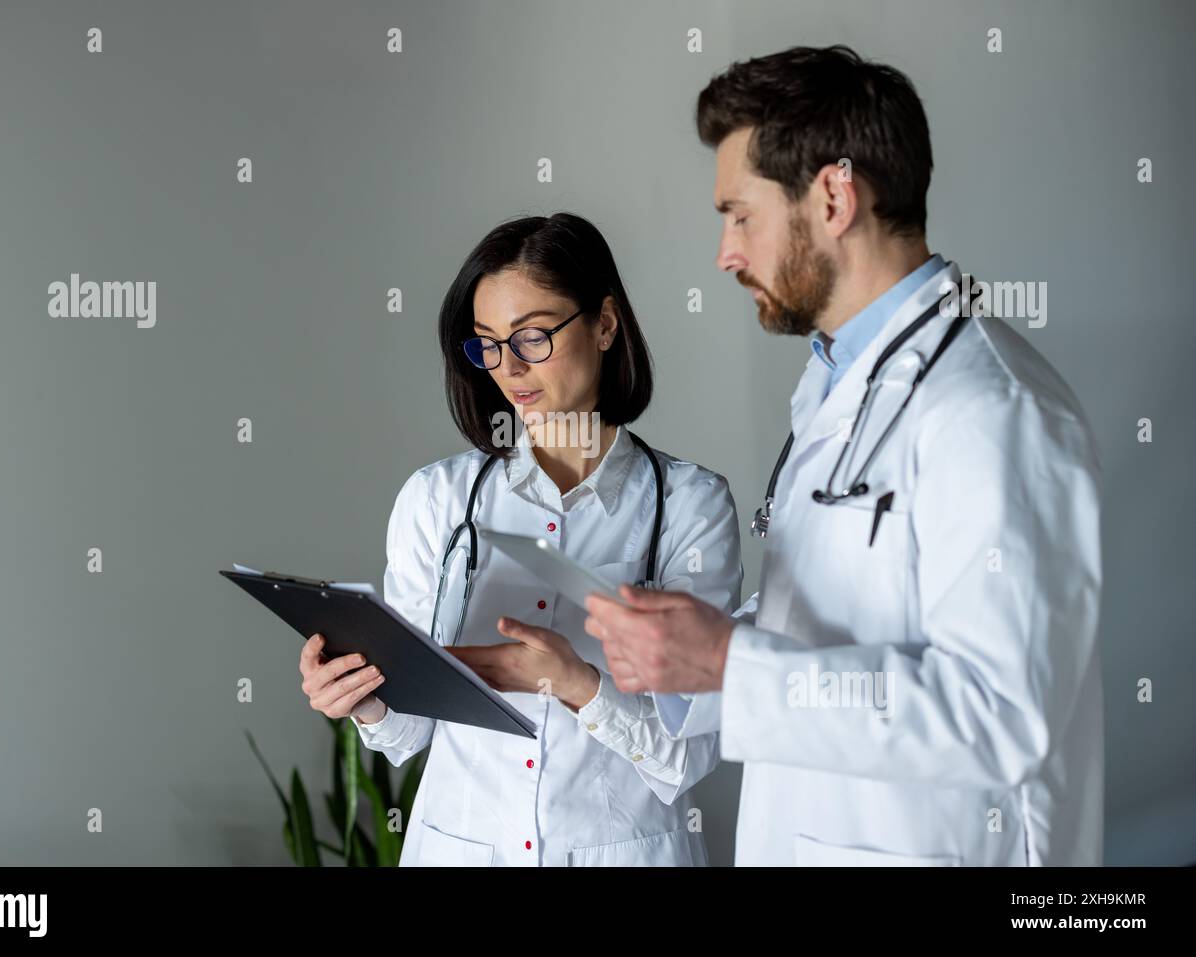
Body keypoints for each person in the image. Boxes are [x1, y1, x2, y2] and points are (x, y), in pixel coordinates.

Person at [584, 45, 1104, 866]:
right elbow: (840, 623)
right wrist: (699, 650)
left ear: (832, 195)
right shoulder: (839, 384)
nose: (725, 253)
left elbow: (1002, 712)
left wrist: (728, 660)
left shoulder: (991, 407)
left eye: (740, 215)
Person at [298, 212, 742, 866]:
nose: (508, 368)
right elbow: (407, 732)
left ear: (605, 323)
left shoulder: (689, 506)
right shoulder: (438, 499)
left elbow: (688, 755)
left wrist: (577, 682)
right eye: (487, 344)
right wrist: (365, 701)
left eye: (532, 336)